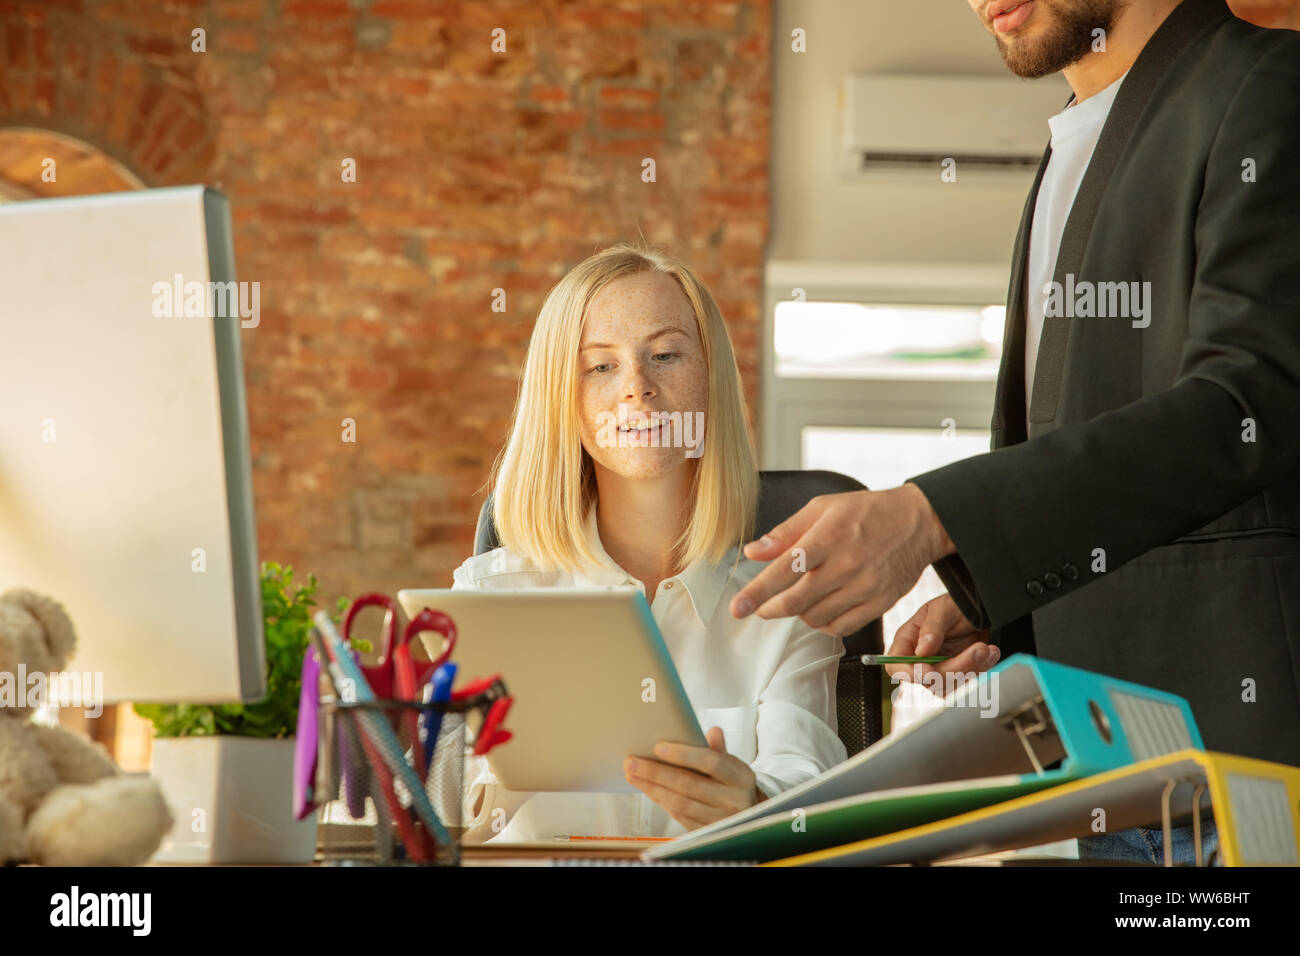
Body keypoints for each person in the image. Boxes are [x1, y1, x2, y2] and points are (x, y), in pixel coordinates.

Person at [728, 0, 1300, 866]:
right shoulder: (1072, 146)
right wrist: (1000, 601)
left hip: (1241, 773)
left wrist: (934, 515)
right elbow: (1097, 451)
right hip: (1110, 783)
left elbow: (1247, 402)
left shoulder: (1270, 85)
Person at [451, 243, 847, 844]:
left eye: (665, 355)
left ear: (709, 382)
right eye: (600, 366)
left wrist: (754, 806)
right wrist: (496, 776)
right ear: (565, 399)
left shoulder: (788, 609)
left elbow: (812, 803)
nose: (637, 387)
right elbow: (404, 818)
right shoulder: (485, 597)